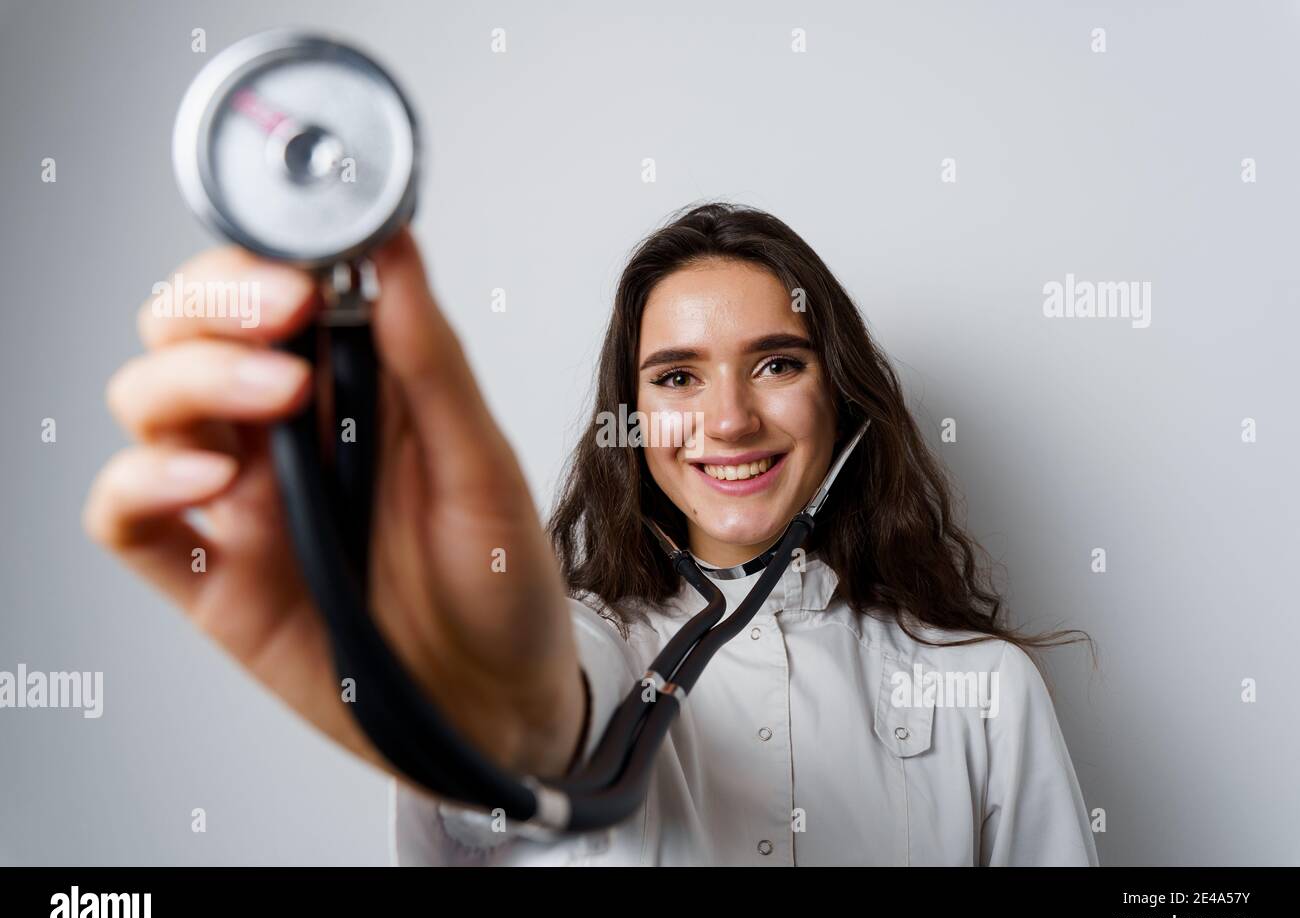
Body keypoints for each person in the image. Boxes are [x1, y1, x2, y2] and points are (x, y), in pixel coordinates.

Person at [84, 201, 1099, 866]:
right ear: (631, 418)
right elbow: (552, 703)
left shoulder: (984, 690)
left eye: (777, 362)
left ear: (842, 399)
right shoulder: (589, 644)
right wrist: (490, 697)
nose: (730, 418)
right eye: (676, 376)